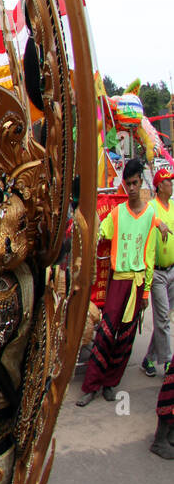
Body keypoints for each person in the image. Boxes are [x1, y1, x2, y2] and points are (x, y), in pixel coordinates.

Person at [78, 158, 164, 407]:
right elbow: (100, 231)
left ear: (141, 182)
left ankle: (110, 383)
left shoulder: (150, 215)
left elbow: (149, 255)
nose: (132, 188)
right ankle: (92, 385)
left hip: (137, 284)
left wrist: (146, 290)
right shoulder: (116, 214)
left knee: (126, 337)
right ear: (124, 186)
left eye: (135, 183)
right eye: (128, 184)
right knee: (106, 333)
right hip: (118, 280)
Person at [143, 167, 174, 377]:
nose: (171, 185)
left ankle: (148, 359)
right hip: (157, 274)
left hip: (173, 270)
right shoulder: (151, 209)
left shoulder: (173, 207)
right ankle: (168, 363)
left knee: (163, 319)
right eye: (168, 182)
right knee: (162, 318)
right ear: (159, 186)